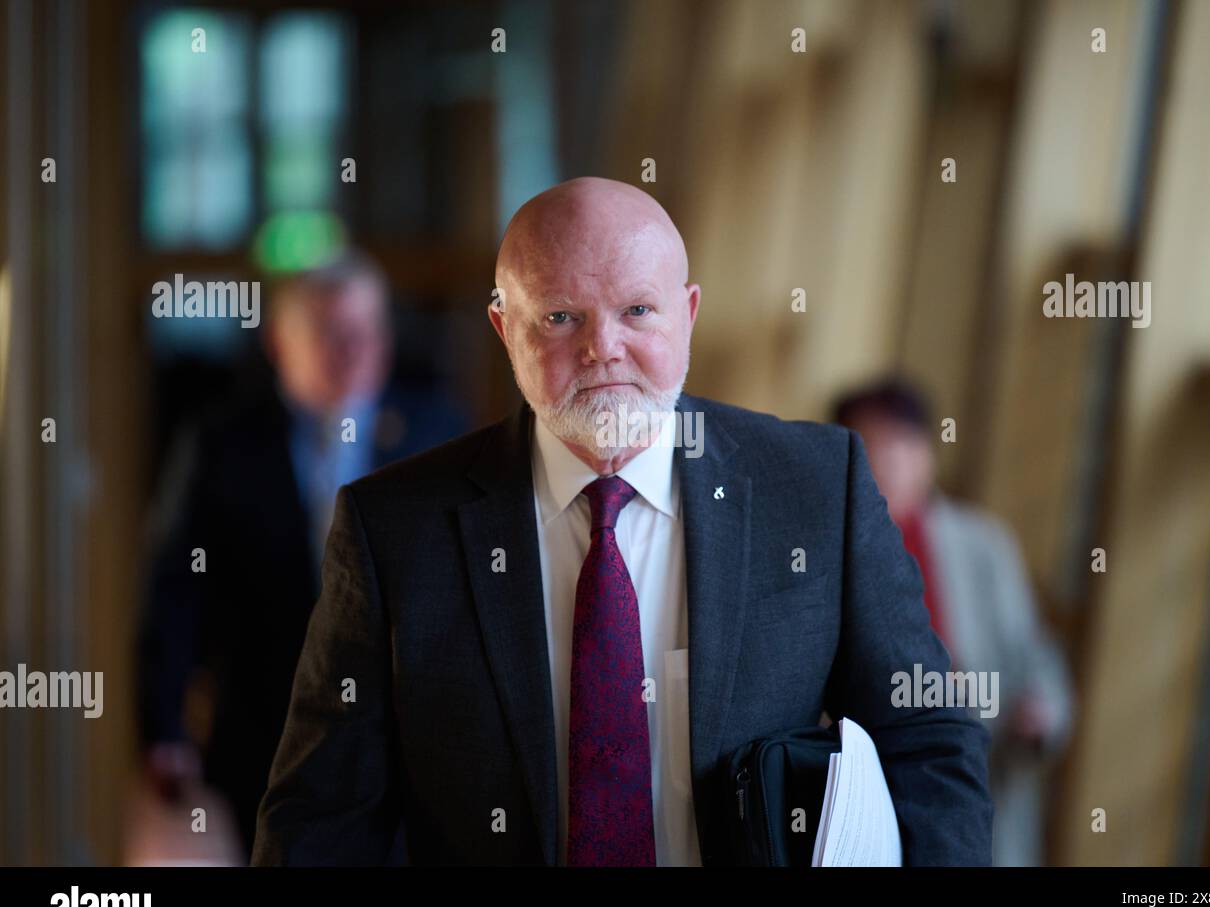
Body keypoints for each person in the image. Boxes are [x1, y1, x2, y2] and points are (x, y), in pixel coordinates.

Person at [252, 178, 992, 866]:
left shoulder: (815, 488)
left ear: (689, 314)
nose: (603, 347)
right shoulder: (395, 530)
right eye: (560, 316)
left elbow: (927, 739)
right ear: (505, 329)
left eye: (637, 310)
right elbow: (321, 817)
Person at [137, 252, 468, 859]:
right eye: (330, 333)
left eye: (368, 331)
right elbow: (176, 585)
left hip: (410, 730)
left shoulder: (438, 430)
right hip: (265, 724)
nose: (355, 351)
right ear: (277, 342)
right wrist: (164, 727)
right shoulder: (223, 443)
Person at [835, 378, 1074, 866]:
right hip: (859, 782)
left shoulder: (981, 544)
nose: (892, 460)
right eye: (873, 445)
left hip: (980, 772)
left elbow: (1036, 660)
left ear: (928, 452)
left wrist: (1042, 712)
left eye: (905, 443)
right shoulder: (825, 543)